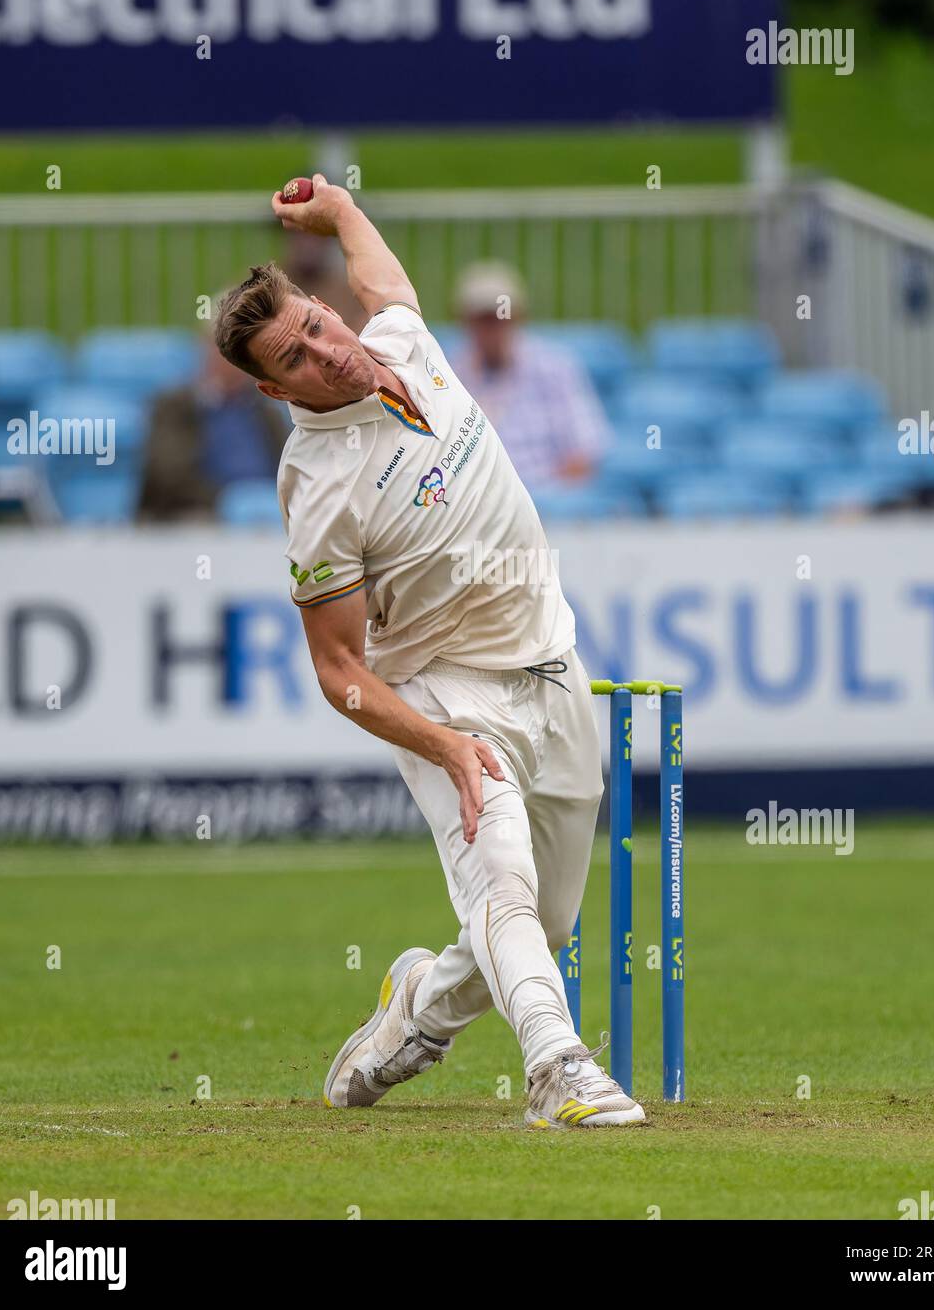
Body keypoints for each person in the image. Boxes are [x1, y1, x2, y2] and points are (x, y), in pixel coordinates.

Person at [213, 174, 642, 1130]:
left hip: (554, 663)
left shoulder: (398, 339)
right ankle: (558, 1070)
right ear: (275, 389)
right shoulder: (318, 485)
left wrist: (337, 209)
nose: (330, 352)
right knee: (504, 889)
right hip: (449, 696)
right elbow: (337, 671)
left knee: (549, 924)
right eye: (298, 357)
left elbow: (385, 281)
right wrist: (443, 746)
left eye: (319, 324)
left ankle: (416, 1013)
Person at [451, 261, 611, 491]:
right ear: (466, 323)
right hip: (480, 500)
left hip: (548, 499)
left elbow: (585, 451)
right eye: (483, 320)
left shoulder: (555, 369)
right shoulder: (451, 376)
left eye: (499, 318)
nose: (492, 330)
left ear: (518, 318)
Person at [137, 333, 290, 522]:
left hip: (269, 514)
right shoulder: (175, 406)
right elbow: (169, 476)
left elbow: (289, 467)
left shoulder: (266, 408)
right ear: (208, 352)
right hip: (200, 515)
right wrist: (223, 500)